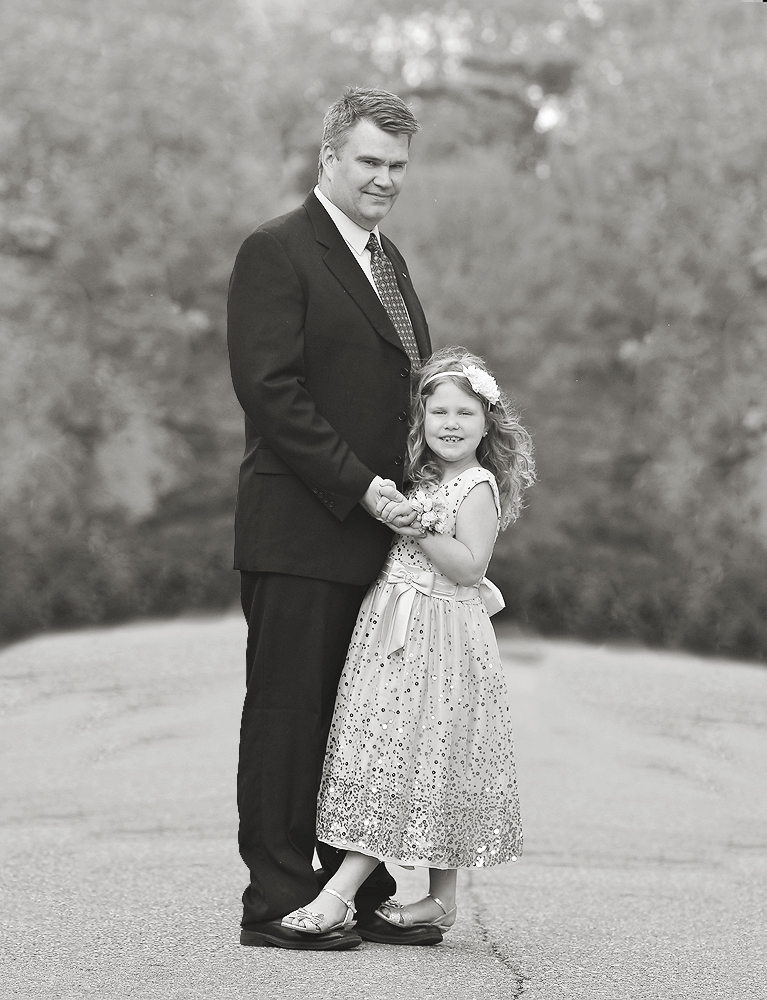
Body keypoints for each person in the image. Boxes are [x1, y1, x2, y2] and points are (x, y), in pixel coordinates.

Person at [227, 88, 437, 951]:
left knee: (361, 721)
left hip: (379, 539)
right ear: (329, 158)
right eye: (370, 162)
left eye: (398, 166)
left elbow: (402, 393)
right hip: (302, 527)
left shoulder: (388, 261)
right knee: (290, 714)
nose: (385, 178)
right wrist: (364, 488)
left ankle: (354, 887)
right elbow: (270, 392)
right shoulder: (277, 250)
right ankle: (277, 899)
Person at [280, 346, 536, 940]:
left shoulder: (476, 486)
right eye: (439, 412)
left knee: (417, 751)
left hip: (442, 633)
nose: (451, 424)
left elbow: (470, 567)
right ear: (421, 419)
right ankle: (441, 900)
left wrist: (414, 528)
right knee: (407, 750)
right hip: (394, 625)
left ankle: (338, 893)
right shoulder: (422, 479)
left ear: (488, 424)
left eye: (465, 413)